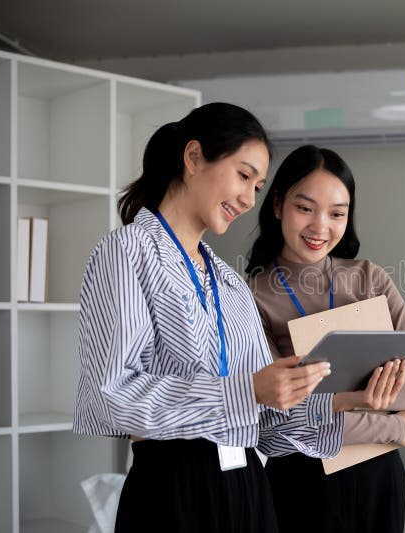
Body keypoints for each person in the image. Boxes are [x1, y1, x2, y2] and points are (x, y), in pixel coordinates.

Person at [73, 104, 345, 533]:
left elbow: (267, 424)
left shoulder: (230, 283)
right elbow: (112, 396)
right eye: (243, 175)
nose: (249, 199)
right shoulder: (126, 252)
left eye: (257, 186)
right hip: (173, 489)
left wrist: (345, 401)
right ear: (194, 157)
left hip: (248, 487)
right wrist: (245, 390)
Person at [246, 144, 405, 533]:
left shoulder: (369, 278)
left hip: (378, 478)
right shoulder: (252, 296)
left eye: (337, 213)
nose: (321, 226)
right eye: (305, 208)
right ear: (277, 206)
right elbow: (282, 419)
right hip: (302, 481)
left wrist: (344, 403)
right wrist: (393, 425)